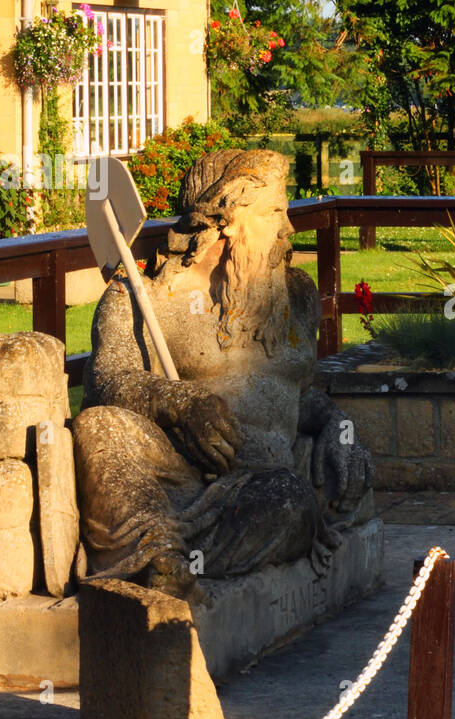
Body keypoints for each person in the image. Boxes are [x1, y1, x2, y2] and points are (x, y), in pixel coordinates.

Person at [72, 149, 373, 602]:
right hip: (178, 473)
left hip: (262, 487)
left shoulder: (295, 296)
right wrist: (179, 403)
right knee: (98, 427)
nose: (288, 229)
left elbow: (298, 394)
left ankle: (158, 555)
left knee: (290, 499)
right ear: (226, 218)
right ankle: (161, 556)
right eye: (274, 212)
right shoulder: (145, 297)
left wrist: (339, 429)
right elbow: (107, 383)